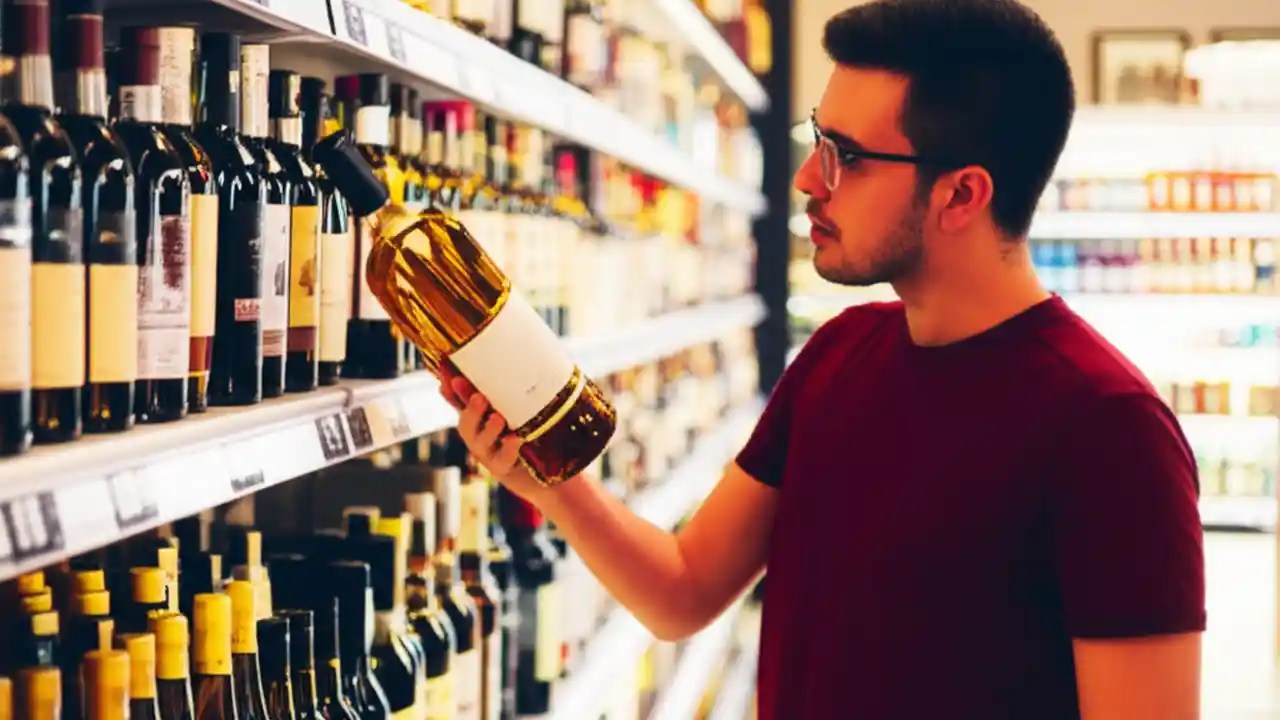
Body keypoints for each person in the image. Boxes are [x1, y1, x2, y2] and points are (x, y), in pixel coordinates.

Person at [439, 0, 1205, 717]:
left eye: (846, 156)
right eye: (817, 139)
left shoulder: (1109, 431)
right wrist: (542, 474)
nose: (808, 179)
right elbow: (684, 589)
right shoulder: (839, 354)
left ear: (962, 195)